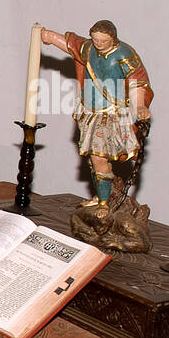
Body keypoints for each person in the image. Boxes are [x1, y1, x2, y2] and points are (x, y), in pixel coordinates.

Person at [41, 20, 153, 206]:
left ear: (113, 39)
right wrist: (51, 37)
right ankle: (102, 197)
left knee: (98, 157)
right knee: (95, 159)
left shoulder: (124, 55)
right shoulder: (89, 48)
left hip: (111, 113)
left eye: (103, 41)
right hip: (89, 110)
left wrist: (140, 106)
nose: (99, 44)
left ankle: (103, 203)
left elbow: (136, 82)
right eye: (95, 39)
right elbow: (72, 46)